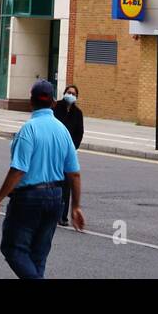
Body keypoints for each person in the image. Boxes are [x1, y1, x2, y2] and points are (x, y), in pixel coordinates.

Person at [0, 80, 84, 279]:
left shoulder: (28, 130)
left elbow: (18, 170)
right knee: (38, 255)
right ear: (53, 103)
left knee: (13, 249)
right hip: (56, 198)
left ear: (30, 102)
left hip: (28, 198)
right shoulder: (62, 131)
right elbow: (74, 173)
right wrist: (75, 207)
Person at [53, 85, 84, 227]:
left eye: (73, 93)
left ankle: (62, 216)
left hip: (68, 154)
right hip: (53, 151)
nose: (70, 95)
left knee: (66, 185)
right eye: (68, 92)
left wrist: (73, 148)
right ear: (64, 93)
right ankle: (51, 212)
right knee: (53, 183)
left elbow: (79, 133)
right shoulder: (56, 107)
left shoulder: (78, 113)